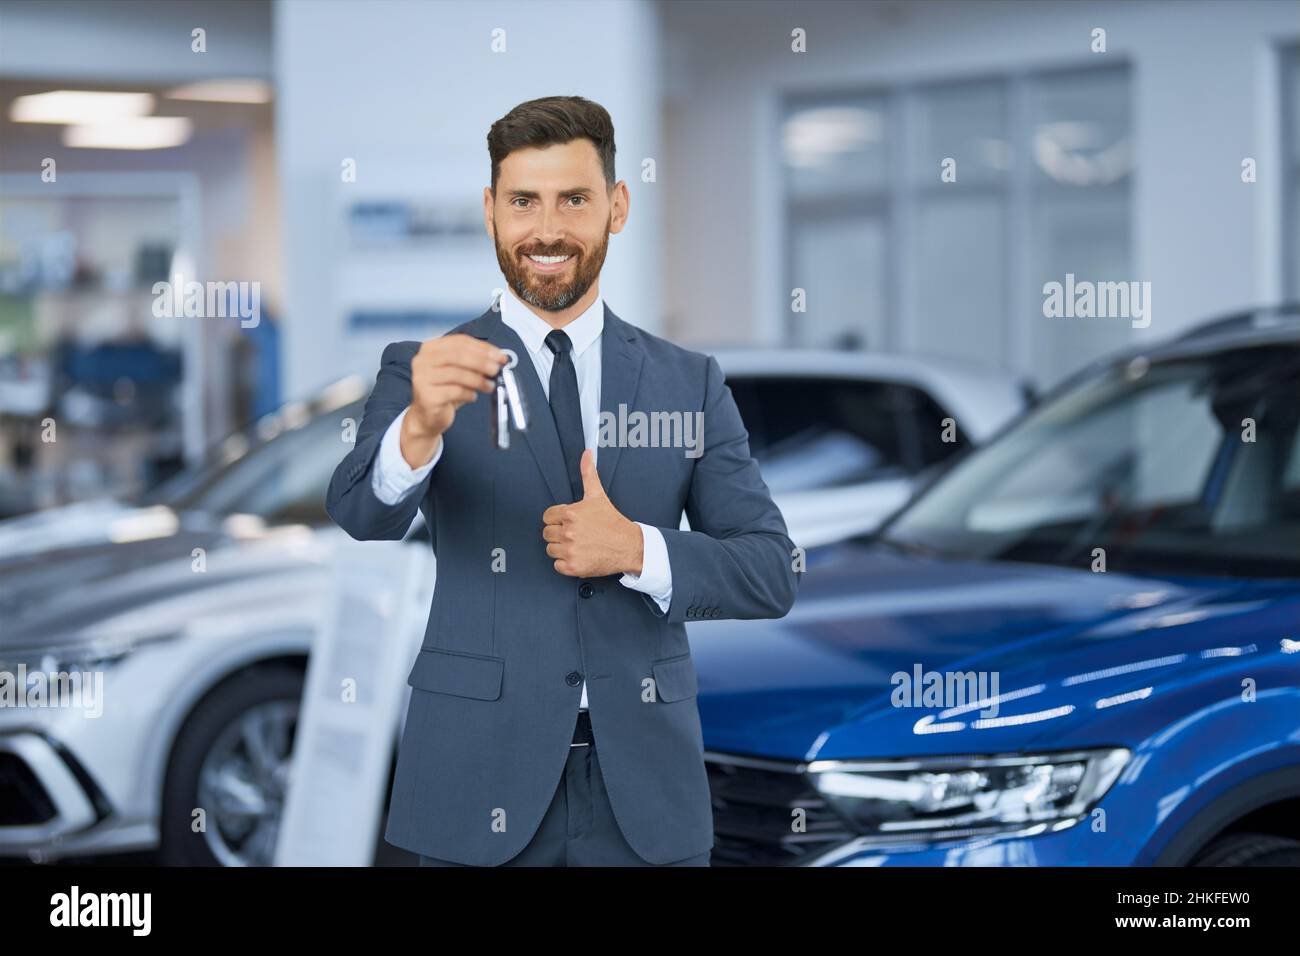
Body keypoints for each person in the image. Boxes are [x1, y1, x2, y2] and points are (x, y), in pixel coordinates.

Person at [326, 95, 799, 866]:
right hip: (475, 776)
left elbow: (771, 571)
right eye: (524, 202)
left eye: (573, 199)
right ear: (490, 210)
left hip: (643, 790)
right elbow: (358, 512)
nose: (546, 230)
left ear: (616, 206)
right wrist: (417, 431)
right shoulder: (426, 369)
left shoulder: (690, 382)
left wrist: (639, 550)